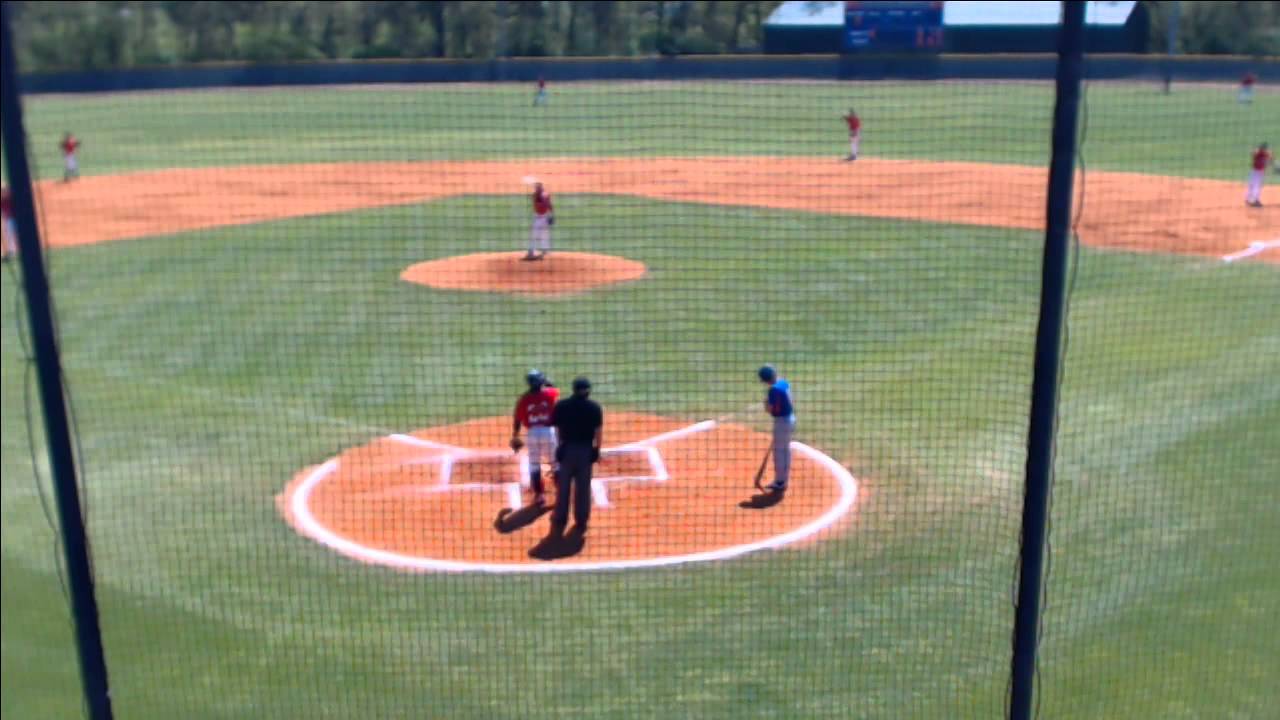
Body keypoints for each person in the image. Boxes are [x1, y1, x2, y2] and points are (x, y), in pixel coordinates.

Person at [550, 377, 603, 534]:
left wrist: (560, 446)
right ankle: (581, 519)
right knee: (583, 487)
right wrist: (596, 450)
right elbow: (598, 432)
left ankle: (560, 517)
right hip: (585, 452)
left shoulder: (561, 406)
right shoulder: (594, 408)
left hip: (567, 450)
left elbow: (557, 430)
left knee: (564, 485)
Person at [510, 369, 560, 506]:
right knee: (556, 462)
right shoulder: (550, 394)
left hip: (532, 434)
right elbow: (554, 389)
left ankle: (539, 496)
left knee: (534, 464)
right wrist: (547, 382)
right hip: (548, 432)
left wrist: (515, 436)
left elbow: (517, 420)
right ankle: (562, 492)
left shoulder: (523, 399)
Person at [758, 365, 795, 493]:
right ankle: (784, 479)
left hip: (781, 422)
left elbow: (773, 410)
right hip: (790, 418)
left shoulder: (773, 390)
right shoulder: (783, 383)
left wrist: (766, 405)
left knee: (779, 452)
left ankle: (780, 481)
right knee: (785, 450)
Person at [524, 181, 554, 260]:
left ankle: (545, 250)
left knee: (545, 234)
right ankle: (531, 251)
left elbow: (549, 204)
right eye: (536, 188)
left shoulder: (545, 195)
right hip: (537, 217)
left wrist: (551, 215)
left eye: (538, 188)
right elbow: (536, 198)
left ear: (541, 188)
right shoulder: (535, 195)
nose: (536, 189)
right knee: (534, 233)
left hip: (544, 216)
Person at [1246, 142, 1272, 208]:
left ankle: (1250, 199)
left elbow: (1269, 160)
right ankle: (1254, 201)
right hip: (1255, 171)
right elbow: (1253, 153)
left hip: (1258, 172)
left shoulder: (1265, 154)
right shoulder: (1259, 153)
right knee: (1255, 186)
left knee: (1253, 185)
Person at [1, 186, 16, 262]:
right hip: (9, 219)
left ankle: (11, 251)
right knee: (9, 235)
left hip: (12, 219)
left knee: (10, 234)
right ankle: (11, 251)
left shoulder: (9, 197)